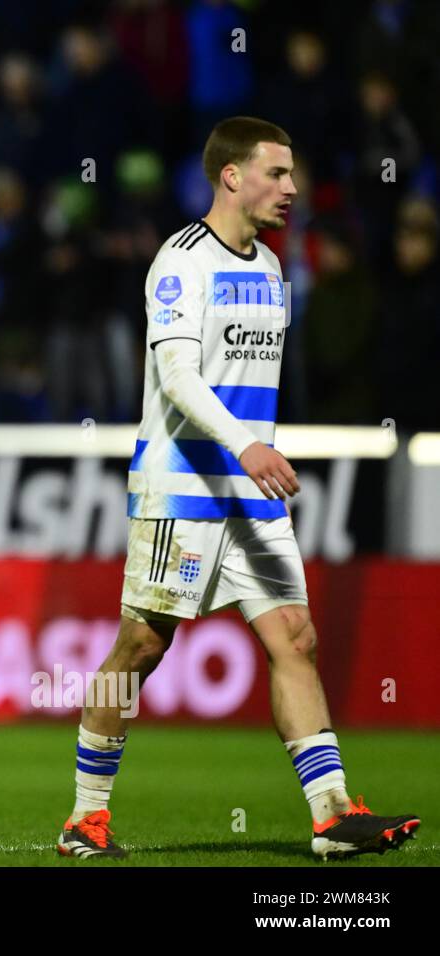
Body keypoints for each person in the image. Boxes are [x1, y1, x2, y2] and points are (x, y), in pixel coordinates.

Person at [56, 116, 420, 860]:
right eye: (277, 174)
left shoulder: (270, 267)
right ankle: (84, 819)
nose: (292, 189)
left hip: (251, 493)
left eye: (293, 176)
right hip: (184, 489)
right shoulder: (180, 261)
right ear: (231, 176)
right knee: (139, 648)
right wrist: (248, 445)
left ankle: (331, 816)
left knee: (296, 638)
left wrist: (259, 452)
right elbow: (180, 377)